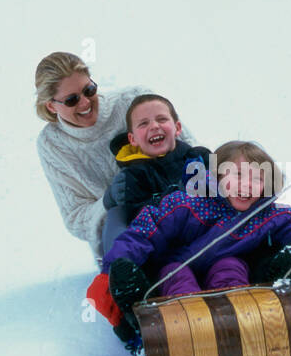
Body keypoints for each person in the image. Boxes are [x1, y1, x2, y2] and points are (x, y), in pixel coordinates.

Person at [85, 141, 291, 328]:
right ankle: (182, 321)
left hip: (224, 274)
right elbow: (142, 233)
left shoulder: (269, 215)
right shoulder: (187, 203)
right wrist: (109, 272)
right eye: (235, 175)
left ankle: (237, 318)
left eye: (257, 178)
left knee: (231, 265)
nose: (246, 184)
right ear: (215, 177)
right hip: (171, 269)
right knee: (176, 273)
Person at [34, 52, 196, 265]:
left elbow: (191, 152)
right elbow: (75, 218)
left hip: (176, 206)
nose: (85, 103)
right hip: (124, 231)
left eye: (89, 90)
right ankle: (127, 273)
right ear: (51, 106)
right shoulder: (52, 145)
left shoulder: (134, 101)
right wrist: (108, 201)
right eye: (72, 100)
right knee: (119, 220)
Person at [103, 93, 211, 245]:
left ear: (177, 128)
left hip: (215, 237)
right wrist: (176, 197)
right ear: (132, 139)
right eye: (143, 123)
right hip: (171, 252)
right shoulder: (132, 177)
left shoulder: (199, 157)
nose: (154, 126)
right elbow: (139, 219)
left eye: (162, 119)